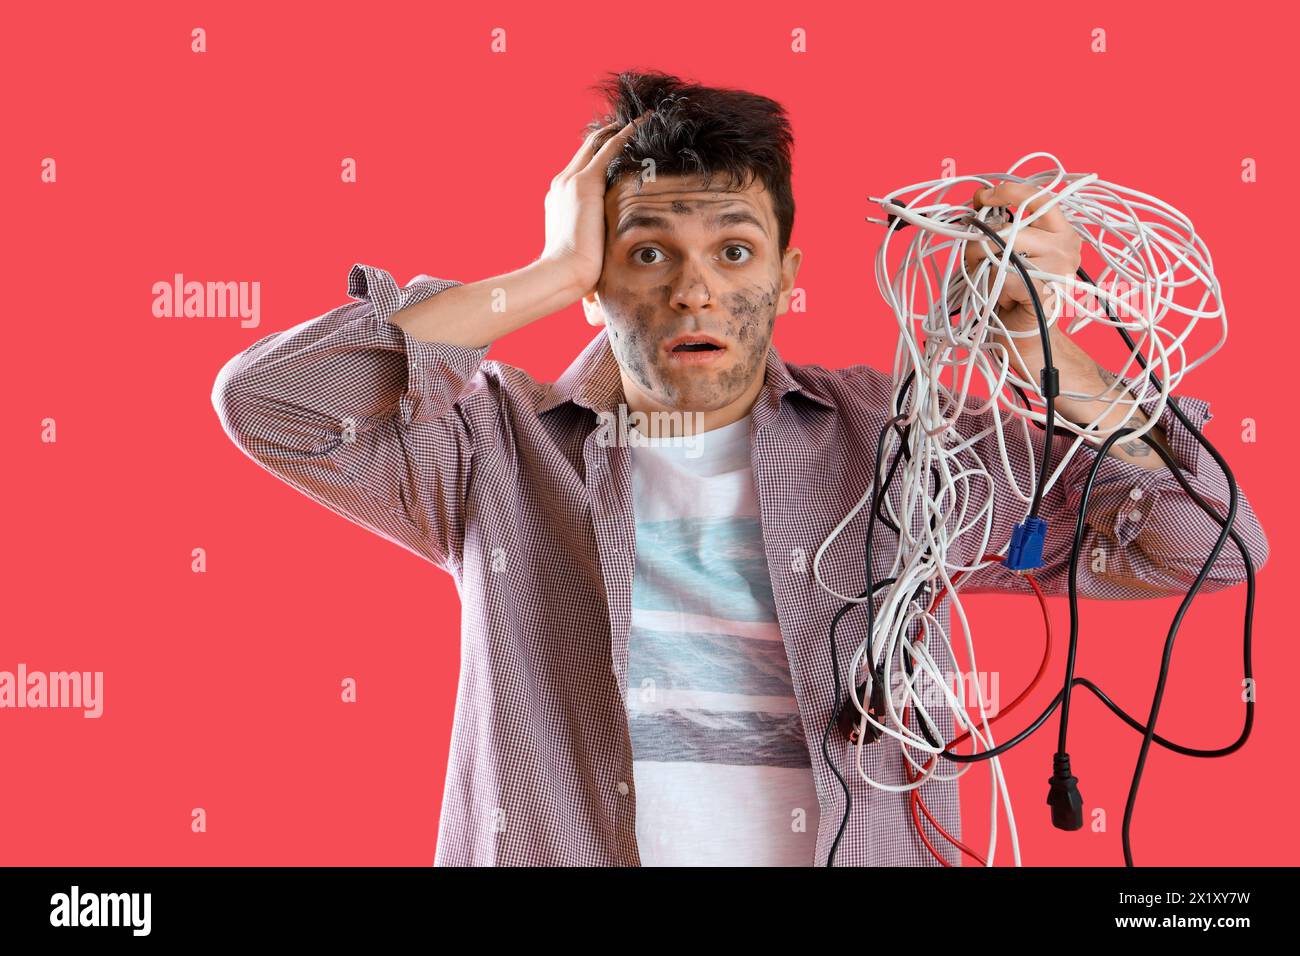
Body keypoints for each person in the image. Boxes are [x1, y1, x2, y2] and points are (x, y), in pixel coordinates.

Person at [210, 69, 1270, 866]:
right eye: (644, 251)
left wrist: (1040, 340)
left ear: (786, 272)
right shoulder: (492, 447)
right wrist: (542, 270)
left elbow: (1204, 544)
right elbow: (273, 402)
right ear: (596, 280)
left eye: (731, 249)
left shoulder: (898, 441)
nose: (693, 291)